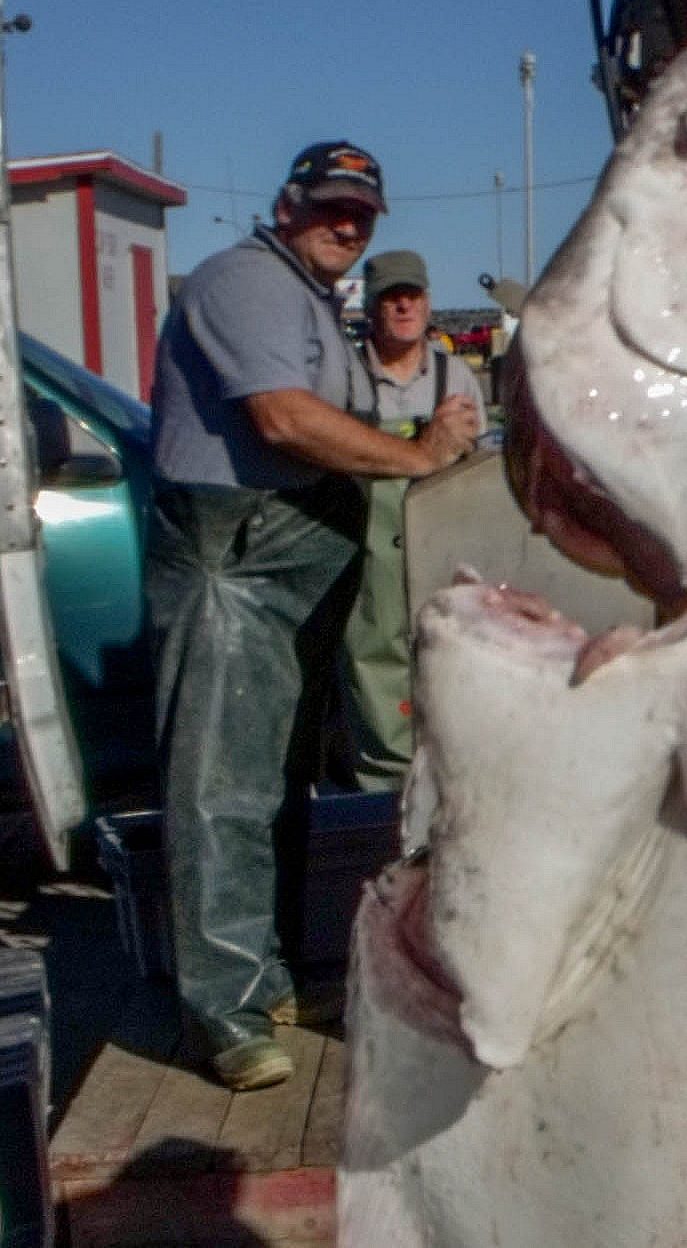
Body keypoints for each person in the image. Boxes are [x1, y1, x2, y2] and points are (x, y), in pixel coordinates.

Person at [145, 141, 480, 1091]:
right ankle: (225, 1012)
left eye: (363, 213)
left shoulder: (307, 299)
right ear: (288, 203)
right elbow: (285, 421)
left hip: (292, 560)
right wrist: (417, 459)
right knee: (220, 790)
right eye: (332, 206)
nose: (349, 224)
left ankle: (270, 979)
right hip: (234, 562)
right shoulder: (244, 282)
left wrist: (418, 441)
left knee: (279, 785)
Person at [341, 249, 485, 791]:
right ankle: (382, 810)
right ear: (370, 308)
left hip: (444, 553)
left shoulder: (457, 377)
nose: (403, 306)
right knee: (374, 683)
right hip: (369, 561)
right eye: (390, 297)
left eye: (413, 295)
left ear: (428, 304)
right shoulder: (344, 378)